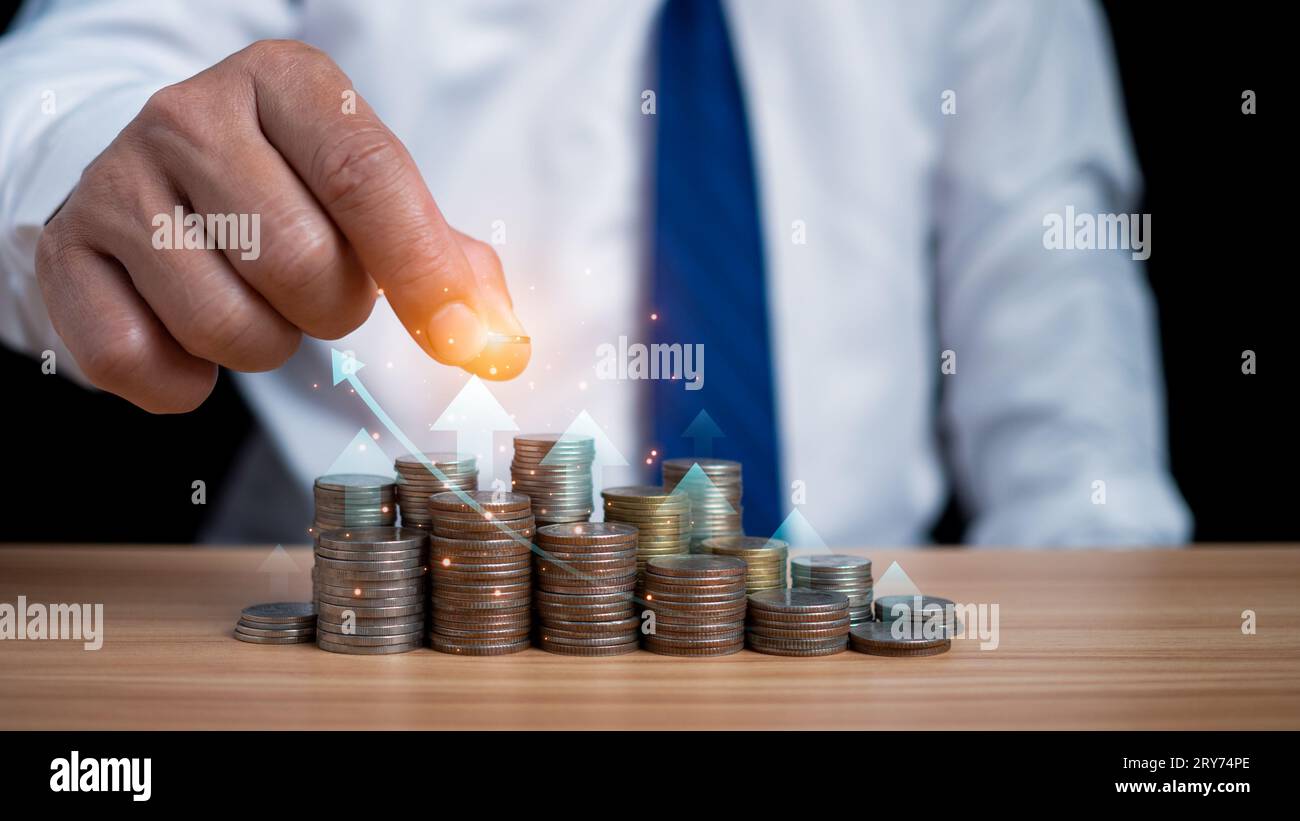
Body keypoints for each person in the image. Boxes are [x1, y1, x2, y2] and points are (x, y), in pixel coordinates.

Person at [0, 0, 1190, 547]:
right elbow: (57, 88)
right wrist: (92, 166)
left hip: (842, 642)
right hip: (374, 646)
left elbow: (1062, 352)